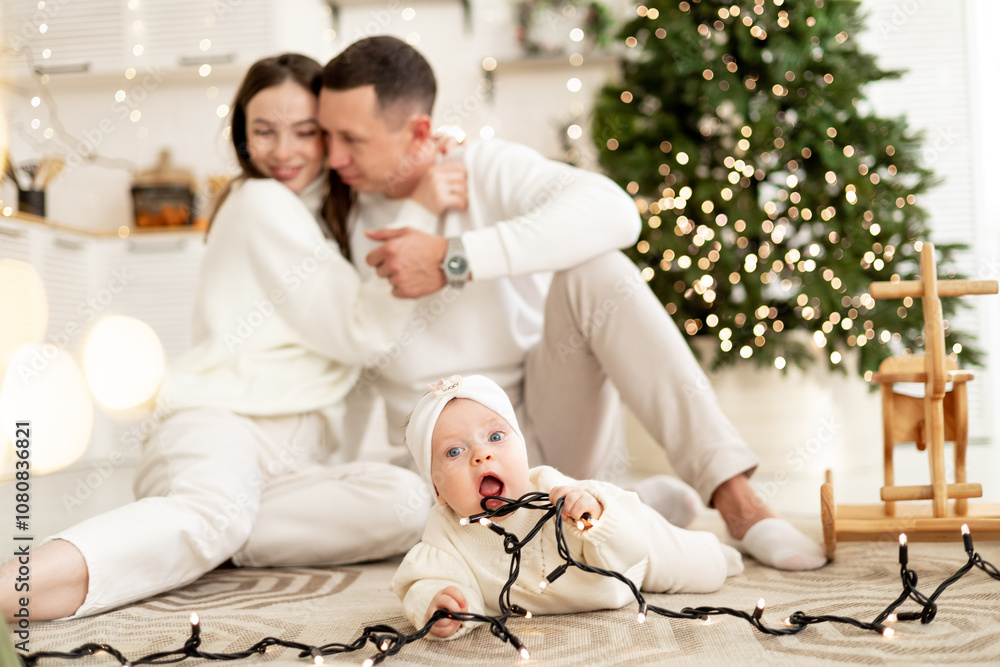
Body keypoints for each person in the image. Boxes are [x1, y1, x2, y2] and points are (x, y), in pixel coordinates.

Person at [317, 35, 826, 571]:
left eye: (351, 138)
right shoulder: (333, 208)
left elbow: (615, 213)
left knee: (598, 268)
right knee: (478, 540)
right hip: (439, 462)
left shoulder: (484, 169)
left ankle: (739, 503)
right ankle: (625, 504)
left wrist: (454, 257)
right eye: (326, 135)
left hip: (542, 420)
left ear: (419, 132)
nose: (333, 156)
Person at [0, 53, 447, 622]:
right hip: (218, 423)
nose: (282, 151)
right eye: (263, 131)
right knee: (212, 513)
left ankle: (194, 538)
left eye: (304, 132)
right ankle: (16, 587)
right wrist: (426, 214)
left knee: (407, 501)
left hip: (288, 467)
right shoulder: (261, 201)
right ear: (242, 135)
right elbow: (363, 334)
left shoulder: (323, 213)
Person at [392, 374, 744, 639]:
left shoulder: (548, 488)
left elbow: (628, 544)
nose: (481, 454)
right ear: (437, 490)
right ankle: (655, 497)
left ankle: (713, 545)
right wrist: (440, 604)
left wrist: (594, 513)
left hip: (630, 561)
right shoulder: (445, 535)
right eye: (454, 451)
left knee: (702, 567)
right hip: (583, 593)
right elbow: (427, 581)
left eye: (496, 437)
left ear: (521, 448)